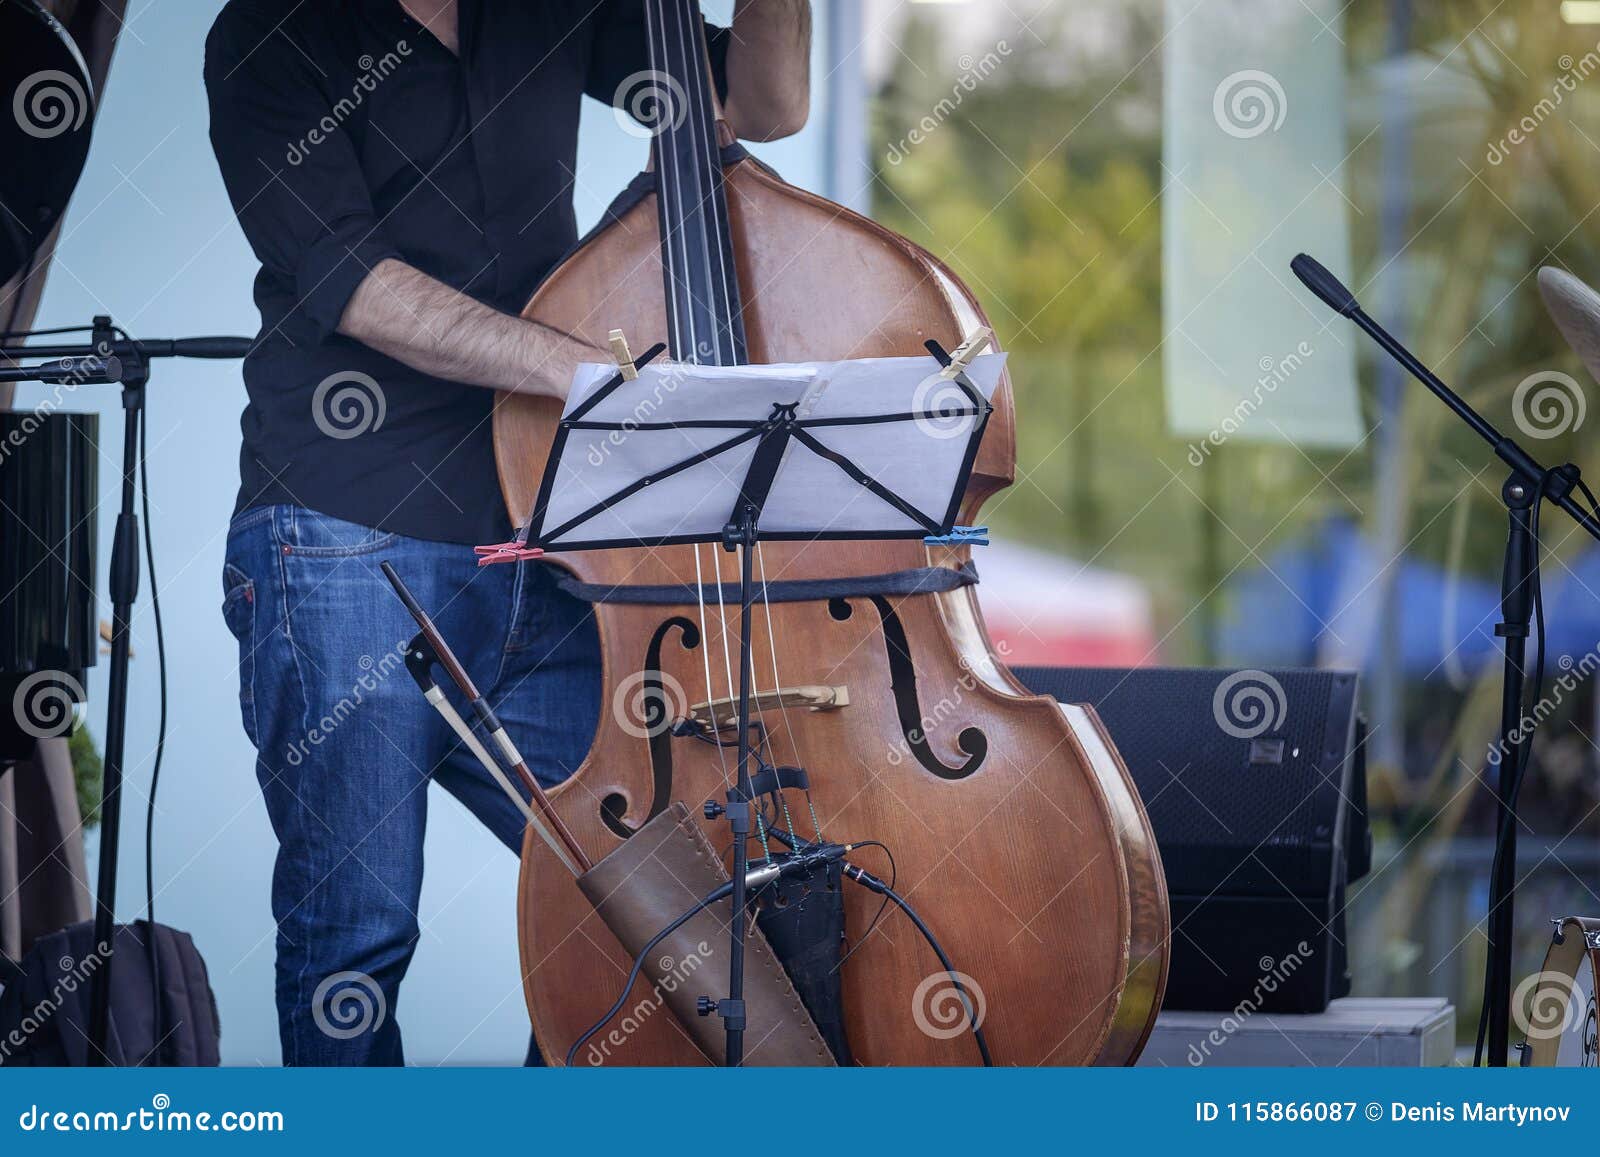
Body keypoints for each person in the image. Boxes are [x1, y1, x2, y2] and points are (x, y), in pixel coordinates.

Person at [204, 0, 811, 1065]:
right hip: (340, 529)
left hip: (535, 531)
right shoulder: (268, 32)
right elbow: (356, 286)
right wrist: (602, 379)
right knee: (357, 938)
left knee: (657, 906)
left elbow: (755, 104)